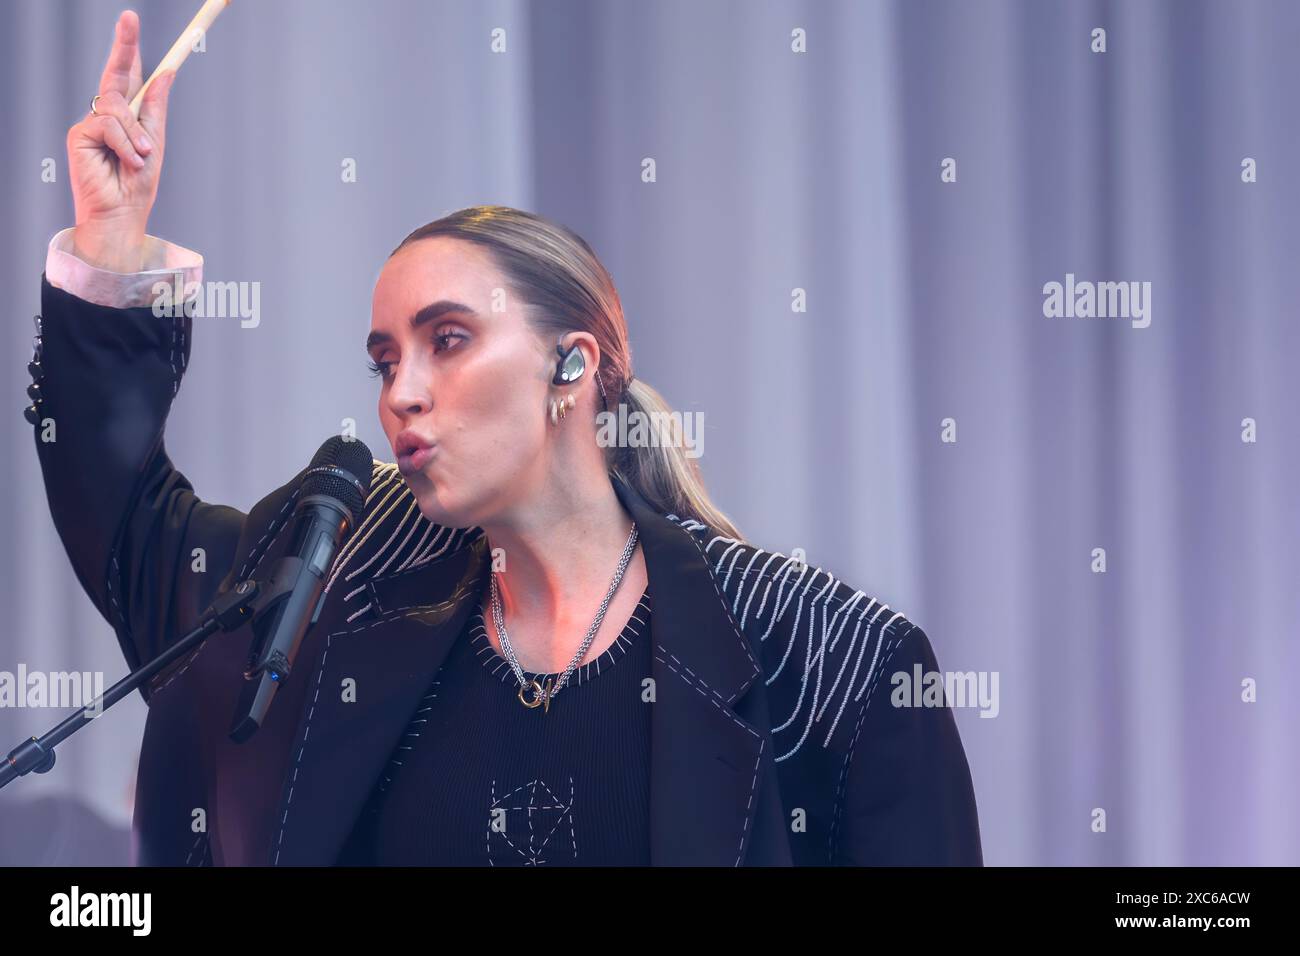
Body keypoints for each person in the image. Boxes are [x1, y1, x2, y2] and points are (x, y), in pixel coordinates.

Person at [26, 10, 982, 866]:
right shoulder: (350, 576)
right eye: (383, 361)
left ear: (572, 365)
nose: (401, 393)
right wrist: (111, 242)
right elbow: (136, 538)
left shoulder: (825, 662)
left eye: (447, 340)